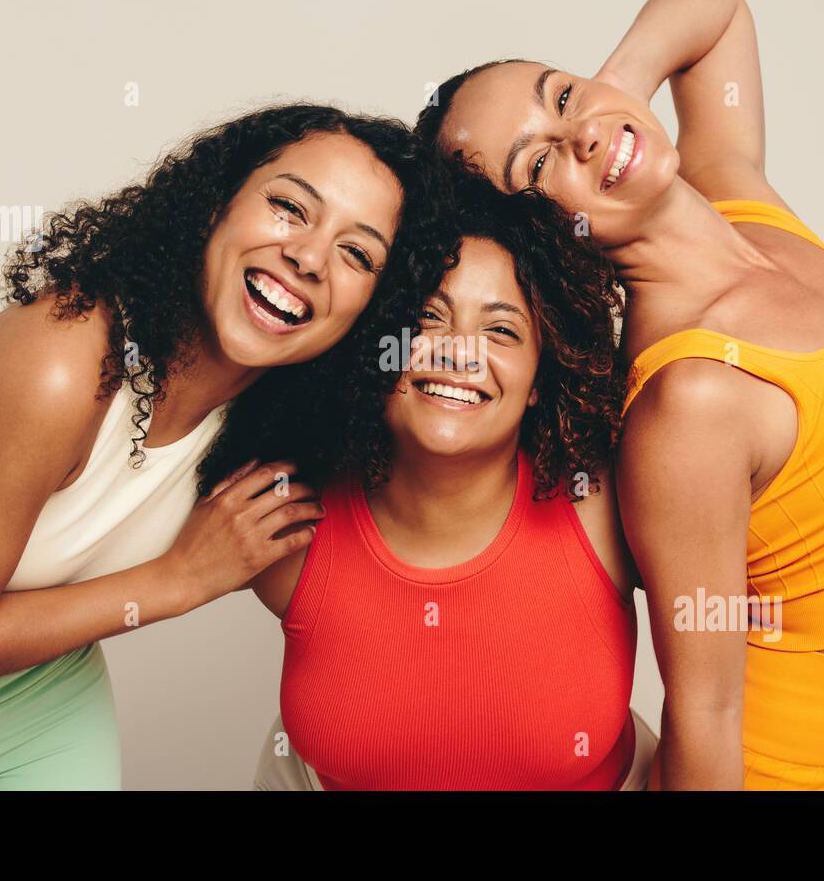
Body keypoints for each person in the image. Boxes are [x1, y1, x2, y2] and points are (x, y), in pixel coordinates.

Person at [412, 0, 824, 789]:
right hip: (817, 776)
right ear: (546, 238)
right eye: (539, 167)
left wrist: (610, 97)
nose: (578, 135)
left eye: (560, 95)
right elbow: (705, 712)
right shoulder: (691, 398)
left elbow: (716, 2)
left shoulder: (736, 191)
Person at [0, 103, 458, 790]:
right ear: (216, 203)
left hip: (36, 707)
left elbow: (391, 593)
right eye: (289, 205)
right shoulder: (57, 365)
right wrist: (180, 579)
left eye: (357, 253)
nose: (310, 258)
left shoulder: (272, 421)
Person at [209, 168, 654, 790]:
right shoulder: (283, 523)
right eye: (427, 317)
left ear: (538, 382)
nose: (459, 352)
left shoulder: (608, 505)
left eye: (501, 330)